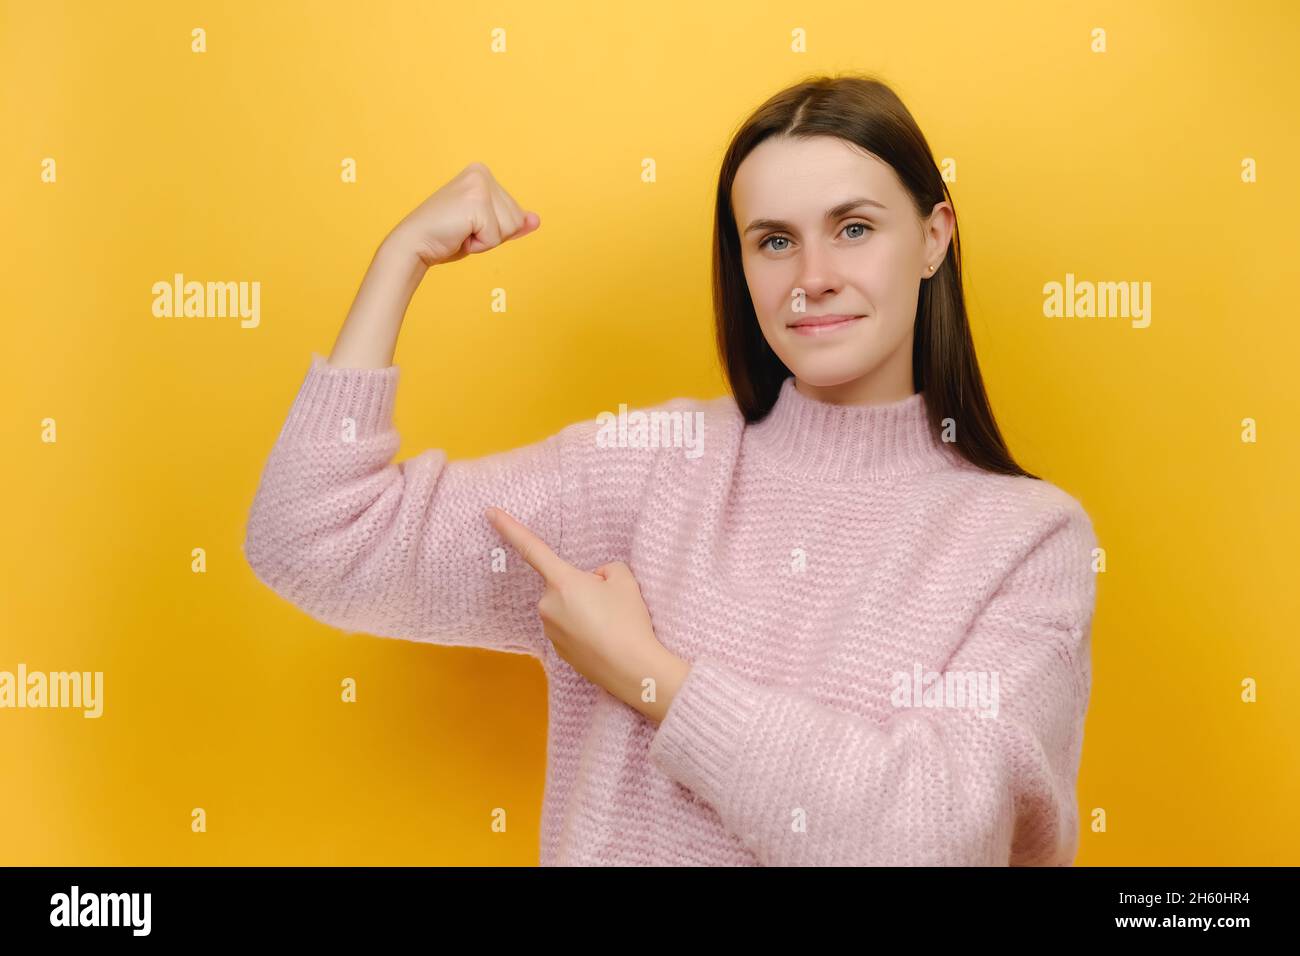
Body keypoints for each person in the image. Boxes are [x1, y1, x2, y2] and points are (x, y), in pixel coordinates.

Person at [243, 73, 1099, 866]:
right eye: (773, 242)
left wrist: (653, 679)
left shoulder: (1028, 542)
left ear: (933, 238)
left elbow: (929, 842)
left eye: (854, 228)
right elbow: (313, 540)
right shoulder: (650, 468)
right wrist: (399, 261)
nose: (812, 278)